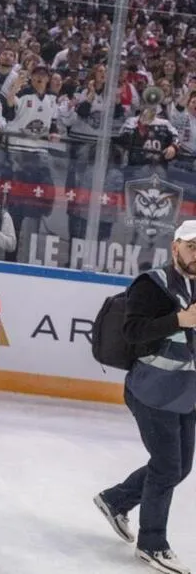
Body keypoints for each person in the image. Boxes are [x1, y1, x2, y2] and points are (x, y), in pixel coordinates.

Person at [93, 220, 196, 574]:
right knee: (168, 466)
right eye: (191, 246)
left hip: (186, 394)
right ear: (175, 247)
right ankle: (153, 543)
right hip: (151, 391)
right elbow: (133, 332)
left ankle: (115, 499)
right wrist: (178, 320)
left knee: (179, 468)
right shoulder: (152, 285)